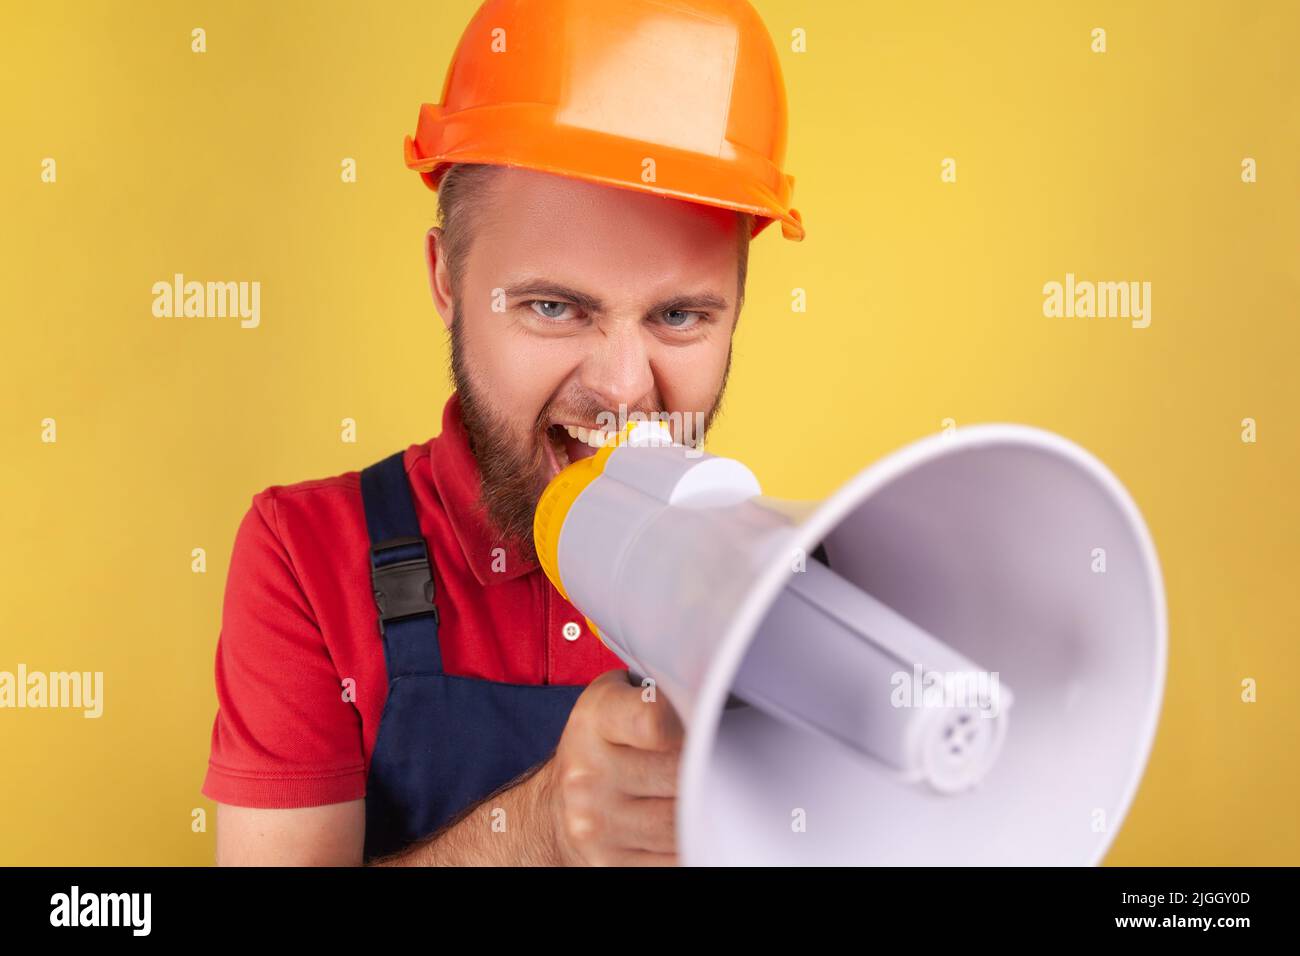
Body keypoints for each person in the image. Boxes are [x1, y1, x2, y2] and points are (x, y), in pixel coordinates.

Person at [202, 0, 803, 866]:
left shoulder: (780, 589)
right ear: (448, 280)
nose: (625, 391)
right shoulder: (304, 554)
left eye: (679, 315)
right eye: (554, 307)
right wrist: (540, 829)